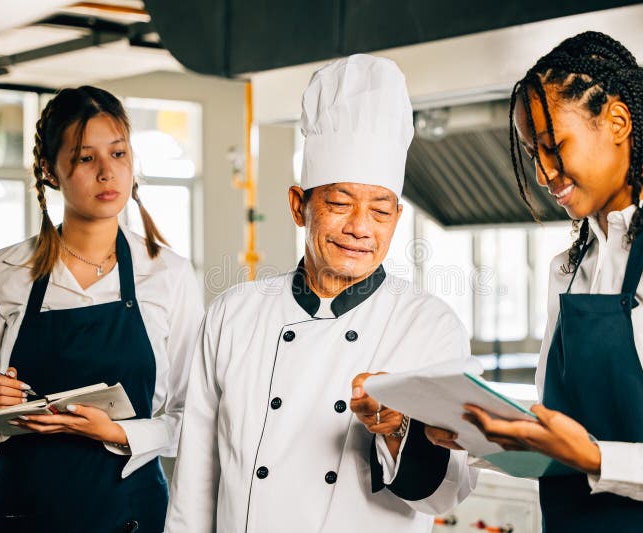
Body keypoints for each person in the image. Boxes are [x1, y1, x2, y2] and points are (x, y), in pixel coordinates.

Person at [429, 31, 643, 532]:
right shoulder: (571, 267)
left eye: (554, 147)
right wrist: (481, 437)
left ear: (619, 121)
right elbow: (559, 447)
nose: (543, 174)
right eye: (532, 153)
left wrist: (600, 459)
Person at [166, 54, 477, 533]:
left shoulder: (429, 326)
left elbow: (446, 494)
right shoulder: (233, 315)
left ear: (396, 218)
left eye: (380, 211)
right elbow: (195, 482)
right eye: (338, 203)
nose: (360, 228)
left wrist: (398, 430)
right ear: (298, 205)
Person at [0, 86, 204, 533]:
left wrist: (117, 433)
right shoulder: (3, 272)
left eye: (119, 153)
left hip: (129, 513)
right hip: (23, 514)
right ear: (51, 171)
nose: (108, 172)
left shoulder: (169, 274)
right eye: (86, 158)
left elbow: (192, 416)